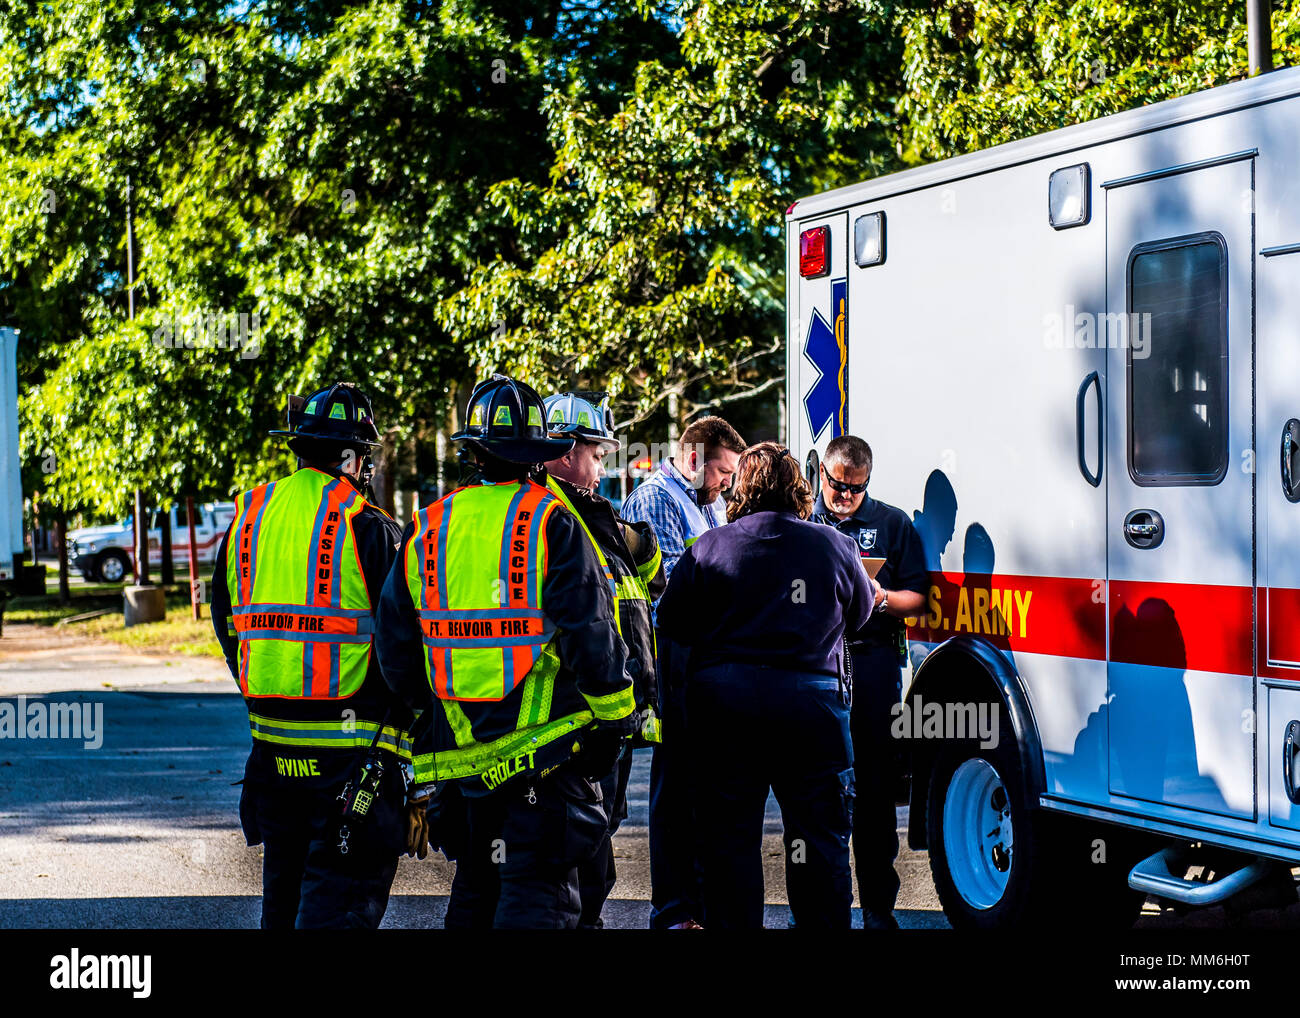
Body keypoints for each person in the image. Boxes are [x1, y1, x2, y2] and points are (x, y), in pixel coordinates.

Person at [374, 373, 638, 929]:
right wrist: (614, 723)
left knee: (475, 889)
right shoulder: (551, 521)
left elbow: (396, 645)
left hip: (459, 764)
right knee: (539, 895)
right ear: (539, 456)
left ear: (473, 451)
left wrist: (437, 713)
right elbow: (591, 634)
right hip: (541, 758)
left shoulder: (429, 526)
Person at [210, 381, 413, 929]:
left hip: (273, 757)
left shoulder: (249, 519)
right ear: (352, 457)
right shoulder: (367, 527)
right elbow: (404, 644)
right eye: (364, 455)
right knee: (341, 904)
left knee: (283, 898)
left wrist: (262, 688)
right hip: (351, 761)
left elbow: (228, 621)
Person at [656, 442, 876, 928]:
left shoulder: (709, 548)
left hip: (727, 710)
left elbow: (670, 620)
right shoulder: (834, 545)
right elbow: (860, 615)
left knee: (729, 842)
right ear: (798, 487)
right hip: (812, 711)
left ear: (740, 488)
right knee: (819, 840)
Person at [540, 389, 666, 929]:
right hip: (580, 714)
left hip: (611, 713)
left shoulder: (593, 512)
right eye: (595, 454)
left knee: (596, 839)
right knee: (577, 853)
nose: (600, 467)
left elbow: (649, 578)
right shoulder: (550, 514)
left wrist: (638, 541)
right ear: (566, 452)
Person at [620, 414, 746, 929]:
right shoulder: (656, 501)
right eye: (721, 471)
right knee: (674, 793)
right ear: (693, 459)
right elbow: (671, 593)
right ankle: (673, 910)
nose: (726, 483)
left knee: (698, 789)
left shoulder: (706, 503)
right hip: (672, 660)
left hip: (703, 660)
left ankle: (694, 905)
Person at [811, 434, 929, 929]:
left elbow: (919, 597)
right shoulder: (805, 520)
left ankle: (879, 905)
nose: (844, 497)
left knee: (876, 791)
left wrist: (880, 597)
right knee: (816, 788)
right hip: (817, 663)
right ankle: (819, 910)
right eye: (837, 485)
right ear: (823, 474)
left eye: (856, 490)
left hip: (874, 661)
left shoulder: (892, 523)